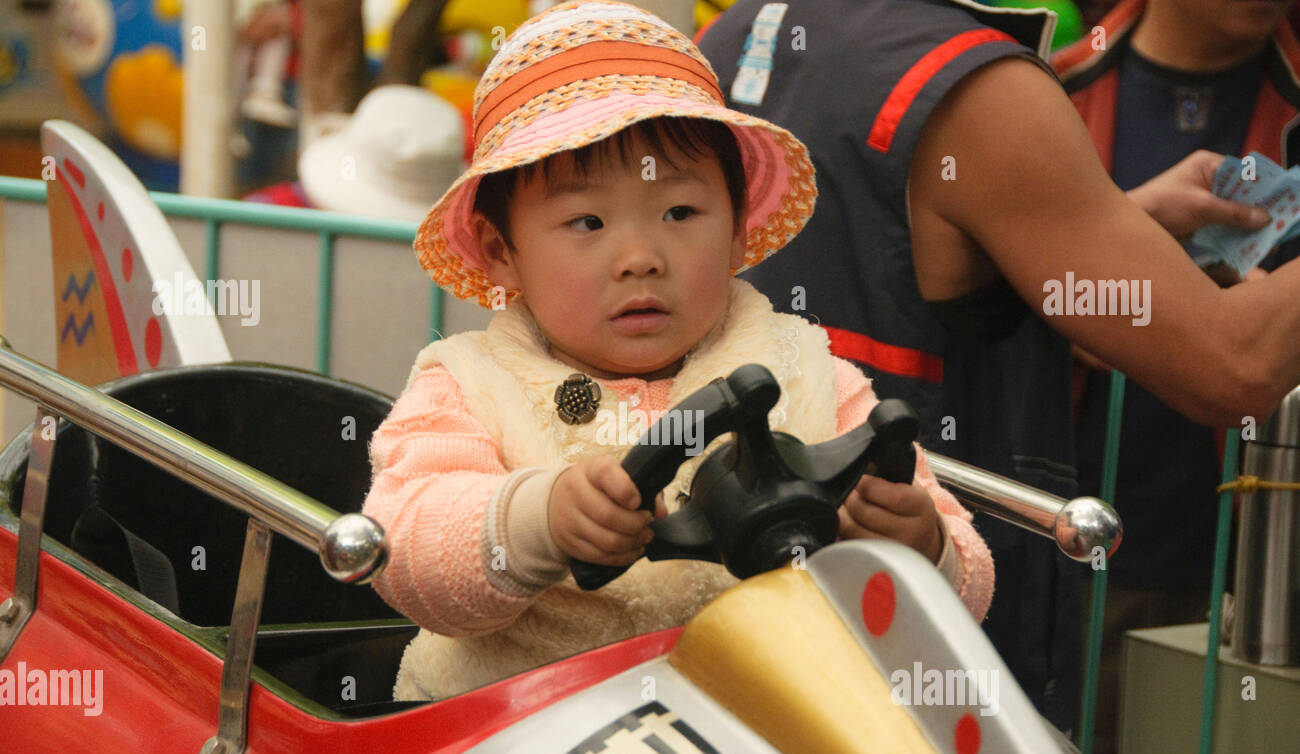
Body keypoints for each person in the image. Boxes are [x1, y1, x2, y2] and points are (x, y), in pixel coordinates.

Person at [361, 1, 995, 702]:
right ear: (499, 250)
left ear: (736, 228)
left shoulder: (809, 372)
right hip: (505, 741)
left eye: (681, 213)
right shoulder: (469, 385)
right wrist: (534, 520)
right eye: (587, 221)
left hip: (764, 740)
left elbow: (967, 579)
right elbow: (405, 548)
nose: (640, 258)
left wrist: (922, 549)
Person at [699, 0, 1300, 732]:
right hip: (926, 672)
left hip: (721, 636)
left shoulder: (732, 39)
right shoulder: (980, 90)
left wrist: (1109, 223)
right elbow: (1234, 361)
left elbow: (894, 245)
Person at [1053, 0, 1300, 754]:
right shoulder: (1042, 93)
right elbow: (990, 308)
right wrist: (1135, 245)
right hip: (1074, 558)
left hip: (1265, 577)